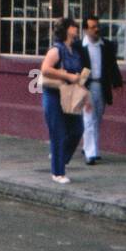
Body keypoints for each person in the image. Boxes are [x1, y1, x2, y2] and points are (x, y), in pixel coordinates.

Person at [39, 17, 84, 184]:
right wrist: (67, 75)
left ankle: (61, 158)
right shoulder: (56, 50)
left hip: (71, 95)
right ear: (66, 29)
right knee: (58, 133)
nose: (76, 28)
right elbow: (45, 69)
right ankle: (57, 172)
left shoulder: (73, 50)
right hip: (53, 95)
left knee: (77, 129)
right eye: (73, 26)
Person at [78, 14, 123, 165]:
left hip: (101, 85)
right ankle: (91, 154)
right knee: (88, 118)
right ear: (85, 30)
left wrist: (117, 84)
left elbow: (112, 66)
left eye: (97, 26)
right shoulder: (79, 47)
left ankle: (91, 147)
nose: (96, 30)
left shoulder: (107, 46)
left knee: (97, 118)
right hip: (86, 86)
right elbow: (77, 68)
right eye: (92, 27)